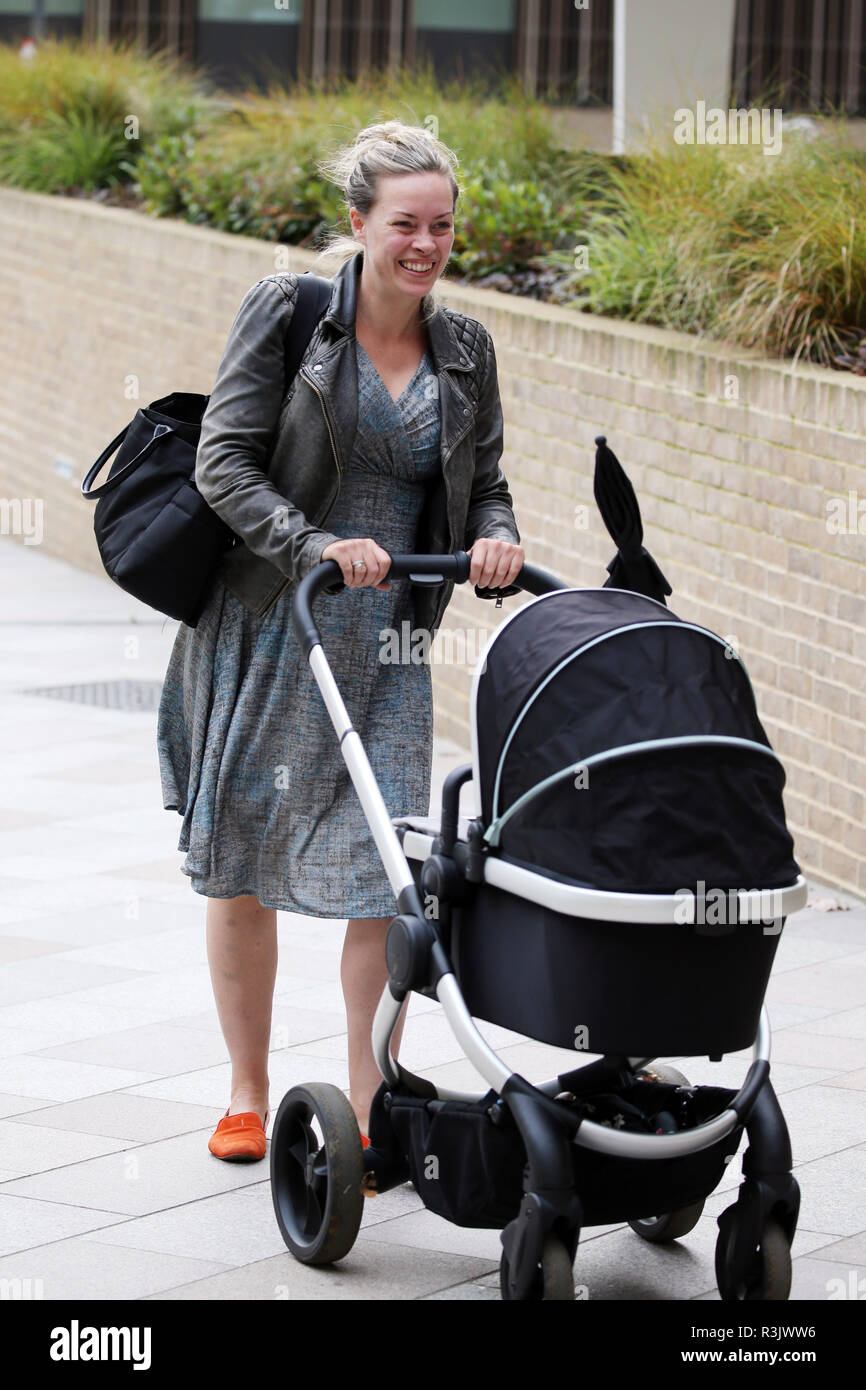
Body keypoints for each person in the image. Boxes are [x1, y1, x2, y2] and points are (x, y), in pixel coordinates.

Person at [156, 120, 523, 1162]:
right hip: (277, 621)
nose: (425, 243)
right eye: (404, 223)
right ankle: (244, 1087)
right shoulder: (289, 314)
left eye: (442, 225)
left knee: (388, 876)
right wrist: (315, 542)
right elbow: (222, 465)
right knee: (241, 860)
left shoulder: (464, 349)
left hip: (392, 643)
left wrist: (493, 538)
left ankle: (373, 1098)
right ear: (357, 222)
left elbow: (484, 481)